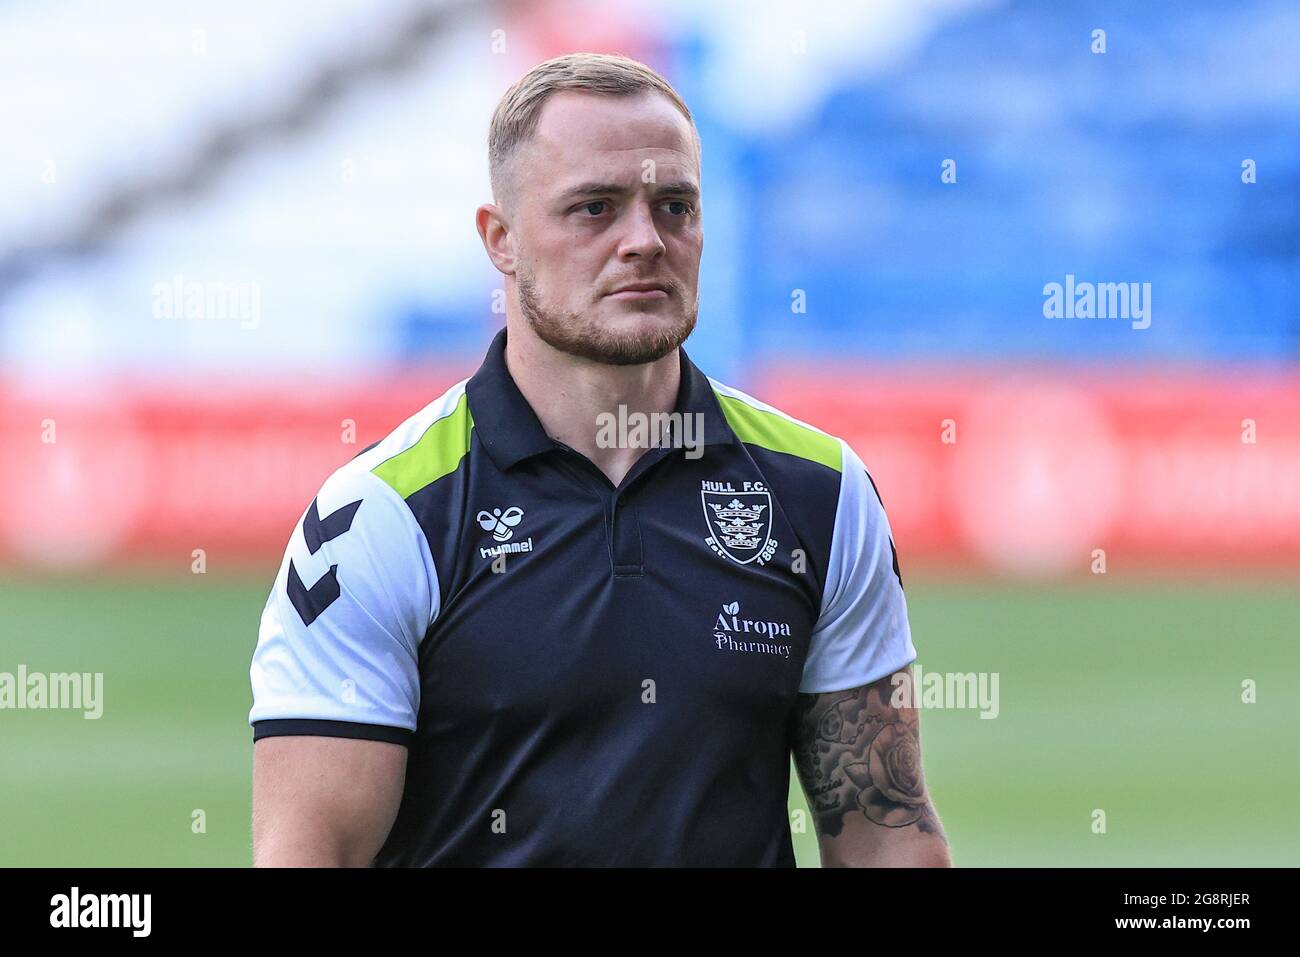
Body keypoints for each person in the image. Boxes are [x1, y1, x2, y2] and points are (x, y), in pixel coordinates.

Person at [249, 51, 949, 867]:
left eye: (675, 206)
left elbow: (885, 834)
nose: (644, 240)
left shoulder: (821, 491)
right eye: (595, 208)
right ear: (501, 240)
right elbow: (311, 853)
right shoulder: (381, 515)